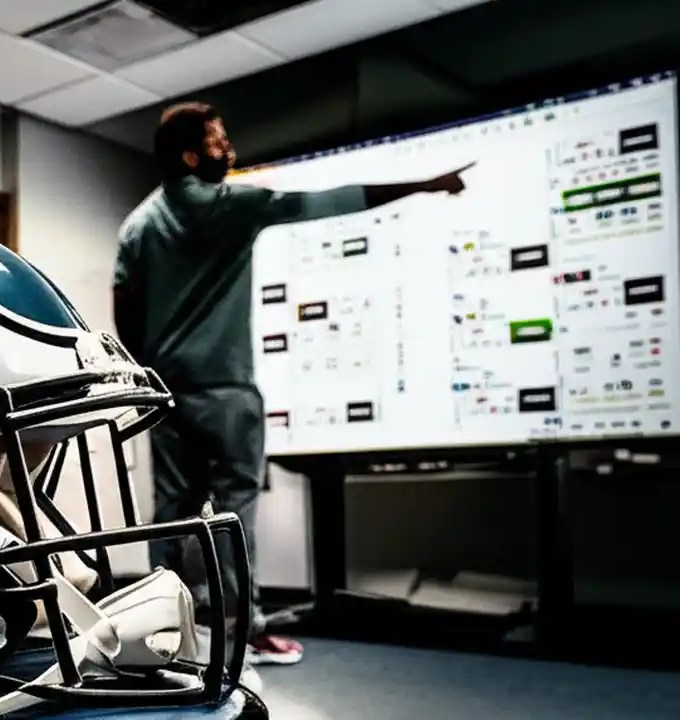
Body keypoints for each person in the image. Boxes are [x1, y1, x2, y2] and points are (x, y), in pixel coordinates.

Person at [113, 101, 471, 665]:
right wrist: (425, 184)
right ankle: (246, 635)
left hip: (167, 395)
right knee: (234, 514)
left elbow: (124, 308)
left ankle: (160, 638)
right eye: (216, 139)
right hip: (227, 391)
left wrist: (149, 374)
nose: (228, 149)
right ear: (189, 155)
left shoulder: (138, 223)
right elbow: (335, 203)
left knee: (171, 515)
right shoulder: (236, 207)